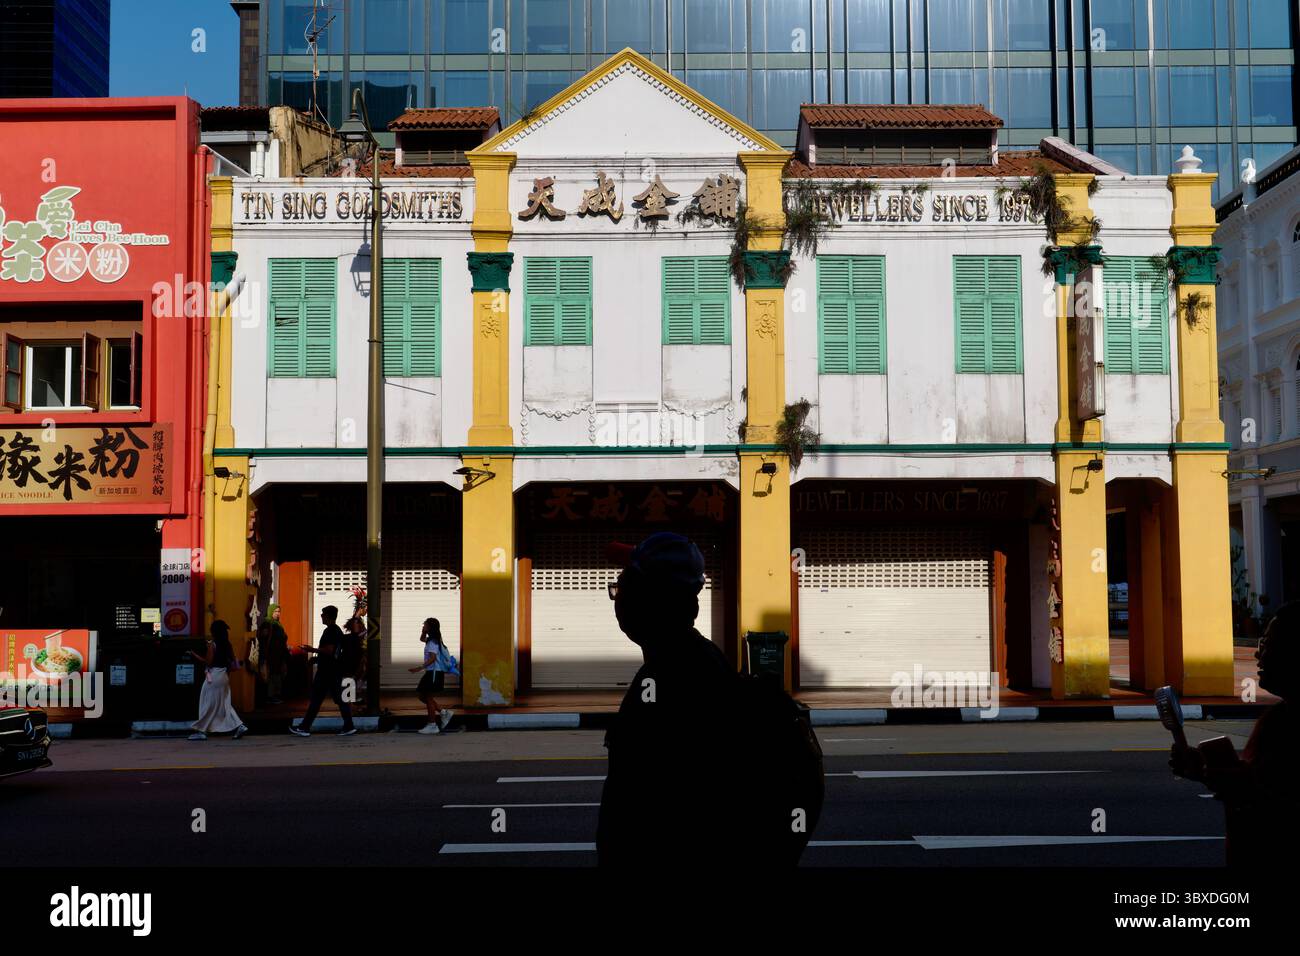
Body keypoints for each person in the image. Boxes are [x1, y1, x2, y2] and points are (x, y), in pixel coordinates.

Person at [596, 532, 757, 867]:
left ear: (648, 600)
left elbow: (657, 813)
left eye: (623, 586)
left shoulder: (675, 679)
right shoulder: (691, 661)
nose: (617, 597)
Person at [1171, 601, 1299, 866]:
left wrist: (1229, 780)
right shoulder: (1277, 719)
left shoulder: (1285, 725)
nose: (1257, 655)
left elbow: (1271, 800)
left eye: (1268, 645)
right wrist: (1205, 770)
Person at [289, 605, 357, 737]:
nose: (321, 616)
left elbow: (330, 650)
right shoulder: (336, 630)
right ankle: (348, 726)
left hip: (327, 672)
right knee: (336, 699)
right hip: (332, 670)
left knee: (317, 699)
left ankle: (304, 727)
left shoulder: (331, 631)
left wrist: (312, 650)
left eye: (323, 614)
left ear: (328, 616)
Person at [189, 620, 248, 741]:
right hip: (224, 676)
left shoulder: (213, 644)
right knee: (224, 704)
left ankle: (202, 731)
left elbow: (208, 662)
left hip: (214, 676)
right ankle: (239, 726)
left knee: (207, 703)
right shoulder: (228, 644)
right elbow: (232, 660)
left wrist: (195, 655)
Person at [408, 617, 456, 734]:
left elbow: (433, 658)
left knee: (427, 697)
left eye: (424, 625)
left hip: (434, 672)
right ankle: (443, 712)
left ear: (430, 627)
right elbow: (422, 639)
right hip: (432, 672)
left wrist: (419, 668)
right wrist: (423, 632)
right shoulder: (432, 640)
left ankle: (432, 724)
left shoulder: (433, 642)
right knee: (422, 696)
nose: (423, 626)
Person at [264, 603, 289, 705]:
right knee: (273, 676)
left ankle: (275, 695)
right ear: (270, 612)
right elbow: (264, 640)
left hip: (279, 655)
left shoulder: (278, 625)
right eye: (275, 611)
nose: (278, 614)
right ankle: (271, 697)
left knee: (278, 675)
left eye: (279, 611)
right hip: (271, 655)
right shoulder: (267, 624)